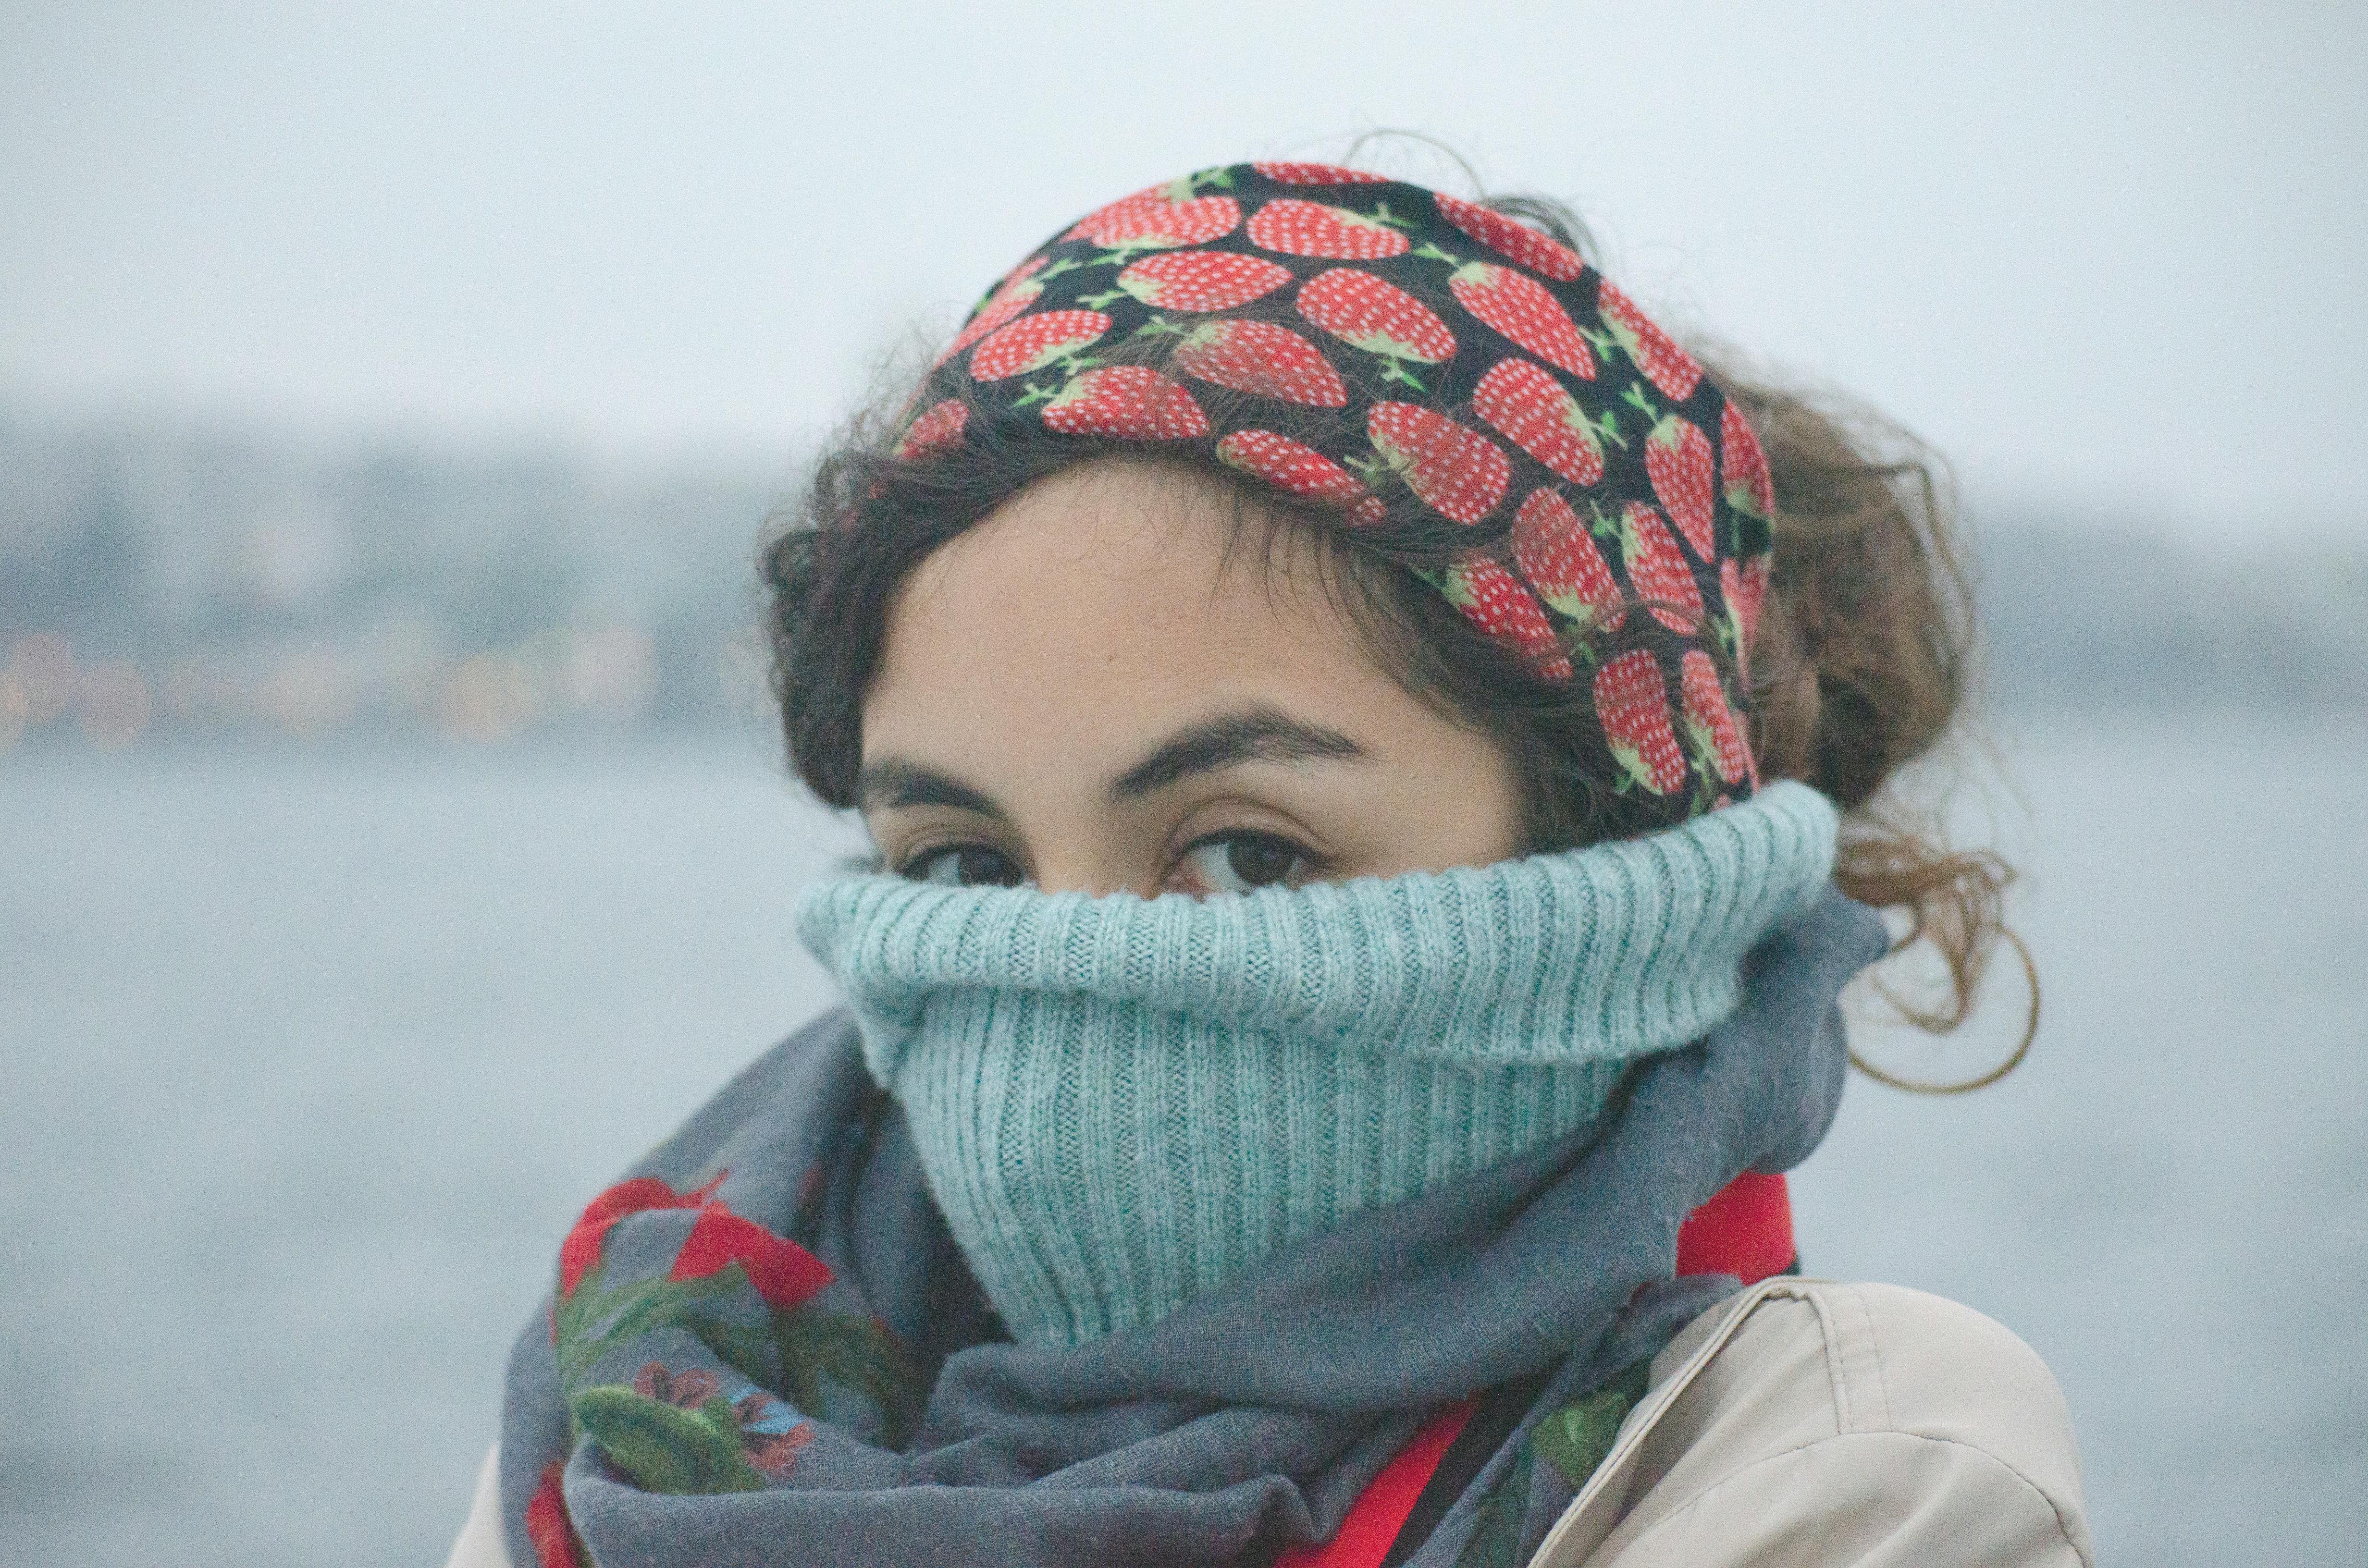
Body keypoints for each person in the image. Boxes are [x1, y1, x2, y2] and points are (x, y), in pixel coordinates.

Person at [446, 159, 2091, 1568]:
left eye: (1242, 854)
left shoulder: (1845, 1459)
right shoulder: (660, 1402)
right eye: (962, 874)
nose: (1062, 974)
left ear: (1615, 882)